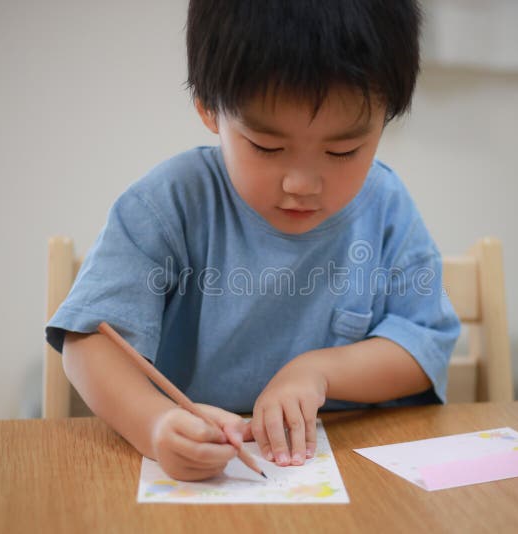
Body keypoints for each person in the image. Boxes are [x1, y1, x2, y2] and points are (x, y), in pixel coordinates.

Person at [45, 0, 460, 482]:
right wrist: (154, 424)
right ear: (209, 109)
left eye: (343, 150)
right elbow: (89, 342)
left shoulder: (386, 205)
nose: (302, 183)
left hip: (354, 464)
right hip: (202, 469)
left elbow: (425, 346)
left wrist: (317, 371)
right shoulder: (169, 204)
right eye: (267, 147)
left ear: (386, 116)